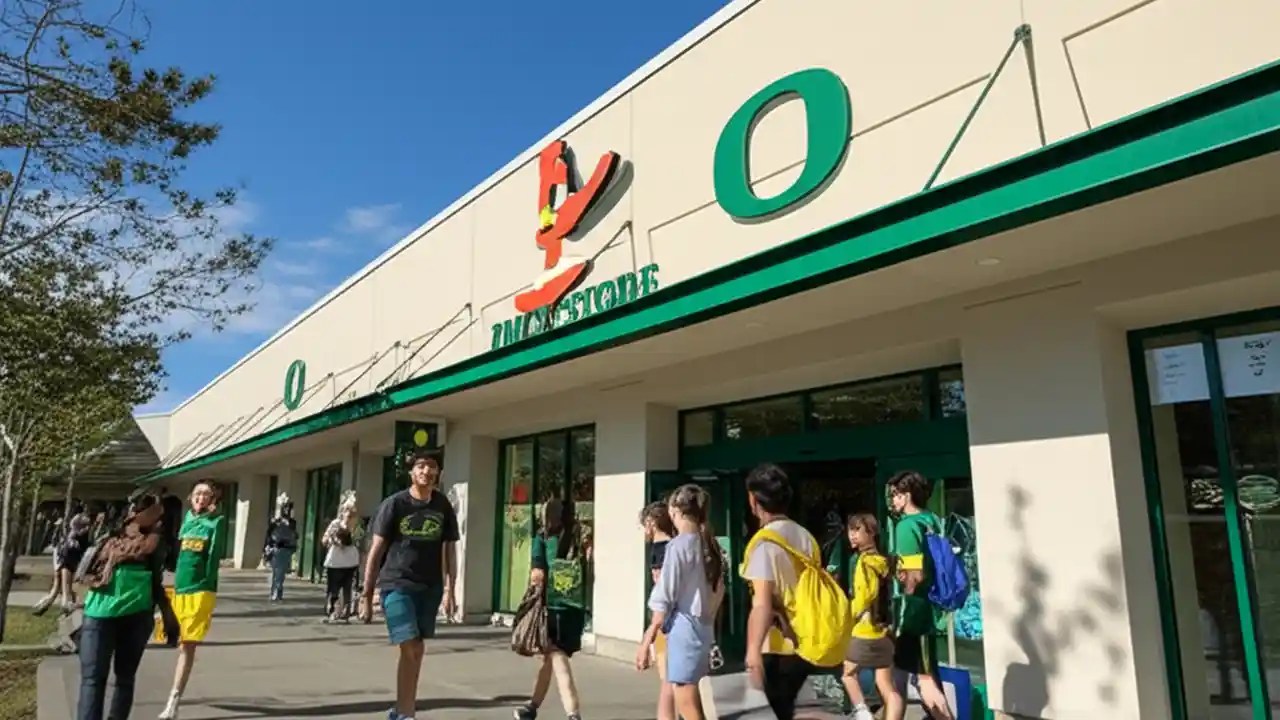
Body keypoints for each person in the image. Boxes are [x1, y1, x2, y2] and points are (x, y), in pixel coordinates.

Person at [358, 450, 459, 720]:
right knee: (410, 646)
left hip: (430, 587)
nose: (426, 471)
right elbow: (376, 550)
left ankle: (402, 708)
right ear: (412, 472)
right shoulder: (395, 504)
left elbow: (450, 550)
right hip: (397, 584)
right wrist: (366, 595)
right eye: (421, 466)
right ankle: (406, 713)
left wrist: (451, 589)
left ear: (438, 473)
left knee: (417, 649)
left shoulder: (442, 505)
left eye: (432, 467)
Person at [76, 490, 180, 720]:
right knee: (92, 678)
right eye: (142, 507)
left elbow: (156, 581)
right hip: (98, 615)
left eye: (155, 510)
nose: (149, 514)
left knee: (123, 679)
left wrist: (168, 615)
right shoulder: (110, 533)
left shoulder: (157, 541)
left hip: (136, 616)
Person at [635, 485, 725, 720]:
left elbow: (665, 595)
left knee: (685, 699)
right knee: (690, 697)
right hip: (703, 627)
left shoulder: (678, 547)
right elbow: (719, 590)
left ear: (675, 511)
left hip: (684, 627)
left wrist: (648, 638)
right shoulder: (709, 545)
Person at [739, 463, 820, 719]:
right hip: (805, 640)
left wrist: (752, 651)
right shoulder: (806, 537)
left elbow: (762, 603)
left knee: (776, 710)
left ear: (754, 500)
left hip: (775, 645)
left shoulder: (763, 543)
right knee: (785, 709)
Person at [887, 471, 954, 720]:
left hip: (912, 610)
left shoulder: (907, 526)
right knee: (902, 676)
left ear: (906, 496)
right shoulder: (932, 520)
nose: (893, 501)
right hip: (928, 607)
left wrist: (903, 589)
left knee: (924, 678)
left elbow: (914, 574)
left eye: (895, 495)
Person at [512, 498, 587, 720]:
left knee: (557, 656)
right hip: (576, 607)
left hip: (552, 607)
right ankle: (532, 706)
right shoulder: (579, 535)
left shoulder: (543, 538)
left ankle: (572, 712)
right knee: (546, 658)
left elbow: (538, 574)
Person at [158, 481, 227, 720]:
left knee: (187, 646)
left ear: (213, 499)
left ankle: (173, 700)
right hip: (180, 588)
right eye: (198, 493)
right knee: (177, 644)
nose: (201, 497)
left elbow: (213, 559)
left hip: (200, 591)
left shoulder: (216, 522)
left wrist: (205, 589)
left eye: (207, 494)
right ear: (190, 497)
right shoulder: (187, 519)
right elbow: (179, 558)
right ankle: (174, 696)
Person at [840, 513, 903, 720]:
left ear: (872, 533)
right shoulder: (884, 562)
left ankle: (862, 712)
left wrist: (850, 615)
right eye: (851, 530)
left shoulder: (863, 562)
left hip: (864, 630)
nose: (852, 535)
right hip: (884, 632)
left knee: (848, 675)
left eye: (858, 530)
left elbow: (865, 595)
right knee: (887, 687)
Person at [639, 501, 677, 720]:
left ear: (652, 523)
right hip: (669, 616)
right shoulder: (672, 545)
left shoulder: (661, 548)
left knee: (667, 677)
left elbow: (663, 586)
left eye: (645, 523)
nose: (644, 529)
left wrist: (652, 630)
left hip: (665, 618)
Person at [34, 512, 92, 616]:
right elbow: (69, 552)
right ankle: (60, 606)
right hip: (65, 562)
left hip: (64, 561)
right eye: (85, 526)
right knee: (64, 588)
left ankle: (44, 606)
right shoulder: (74, 538)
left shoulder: (74, 537)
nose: (87, 528)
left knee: (59, 589)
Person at [322, 501, 361, 623]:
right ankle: (332, 611)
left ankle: (346, 613)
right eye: (347, 512)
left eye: (353, 513)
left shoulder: (357, 527)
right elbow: (325, 539)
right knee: (333, 588)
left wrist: (350, 529)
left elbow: (359, 542)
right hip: (335, 562)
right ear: (342, 512)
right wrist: (332, 539)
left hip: (351, 562)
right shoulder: (335, 524)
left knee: (348, 588)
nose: (350, 515)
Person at [263, 494, 298, 602]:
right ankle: (275, 592)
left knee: (280, 573)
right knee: (276, 572)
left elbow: (295, 533)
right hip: (276, 549)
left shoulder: (291, 522)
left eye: (288, 508)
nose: (286, 510)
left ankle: (277, 592)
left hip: (286, 549)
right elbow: (268, 534)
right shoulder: (275, 522)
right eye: (285, 508)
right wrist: (265, 548)